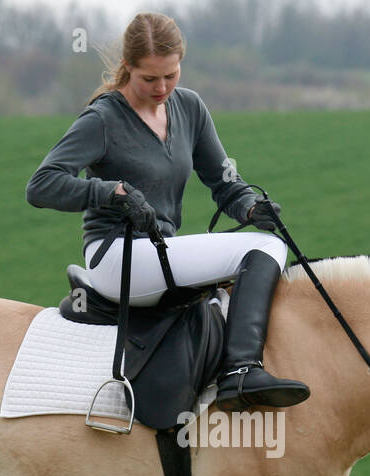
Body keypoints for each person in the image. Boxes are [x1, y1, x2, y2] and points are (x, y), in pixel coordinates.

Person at [25, 12, 309, 413]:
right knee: (263, 250)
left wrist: (249, 205)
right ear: (128, 68)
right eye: (149, 78)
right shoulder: (103, 119)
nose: (161, 88)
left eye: (170, 76)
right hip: (117, 256)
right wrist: (110, 192)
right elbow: (41, 185)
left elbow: (224, 181)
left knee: (265, 239)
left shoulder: (189, 107)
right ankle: (240, 371)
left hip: (159, 252)